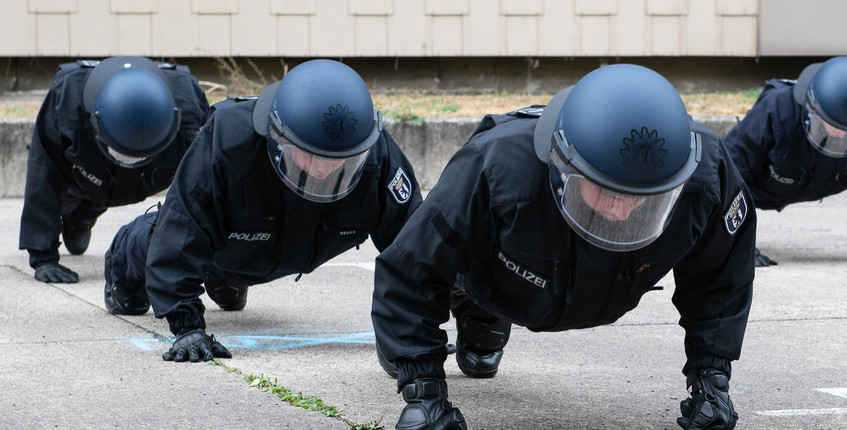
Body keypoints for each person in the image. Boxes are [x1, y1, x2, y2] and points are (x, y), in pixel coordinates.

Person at [372, 64, 755, 430]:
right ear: (562, 164)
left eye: (641, 200)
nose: (620, 213)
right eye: (605, 191)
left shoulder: (707, 176)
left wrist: (712, 378)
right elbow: (412, 265)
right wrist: (423, 391)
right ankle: (479, 317)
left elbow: (721, 277)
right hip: (495, 279)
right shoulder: (494, 166)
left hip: (613, 286)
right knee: (460, 331)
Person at [102, 59, 423, 363]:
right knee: (159, 234)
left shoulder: (376, 158)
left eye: (337, 161)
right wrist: (186, 325)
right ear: (280, 137)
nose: (323, 170)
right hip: (222, 241)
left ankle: (222, 279)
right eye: (311, 157)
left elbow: (416, 249)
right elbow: (181, 230)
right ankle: (122, 262)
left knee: (228, 287)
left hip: (273, 247)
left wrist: (423, 328)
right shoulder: (227, 142)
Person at [18, 56, 209, 284]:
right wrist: (43, 256)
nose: (128, 161)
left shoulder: (189, 105)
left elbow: (208, 180)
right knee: (73, 194)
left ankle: (83, 217)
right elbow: (43, 171)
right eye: (124, 155)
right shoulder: (67, 98)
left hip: (153, 174)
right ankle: (76, 216)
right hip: (83, 175)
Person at [722, 56, 847, 267]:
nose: (839, 136)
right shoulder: (777, 111)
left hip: (821, 180)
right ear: (811, 109)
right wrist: (738, 242)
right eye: (832, 125)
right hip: (763, 185)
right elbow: (730, 173)